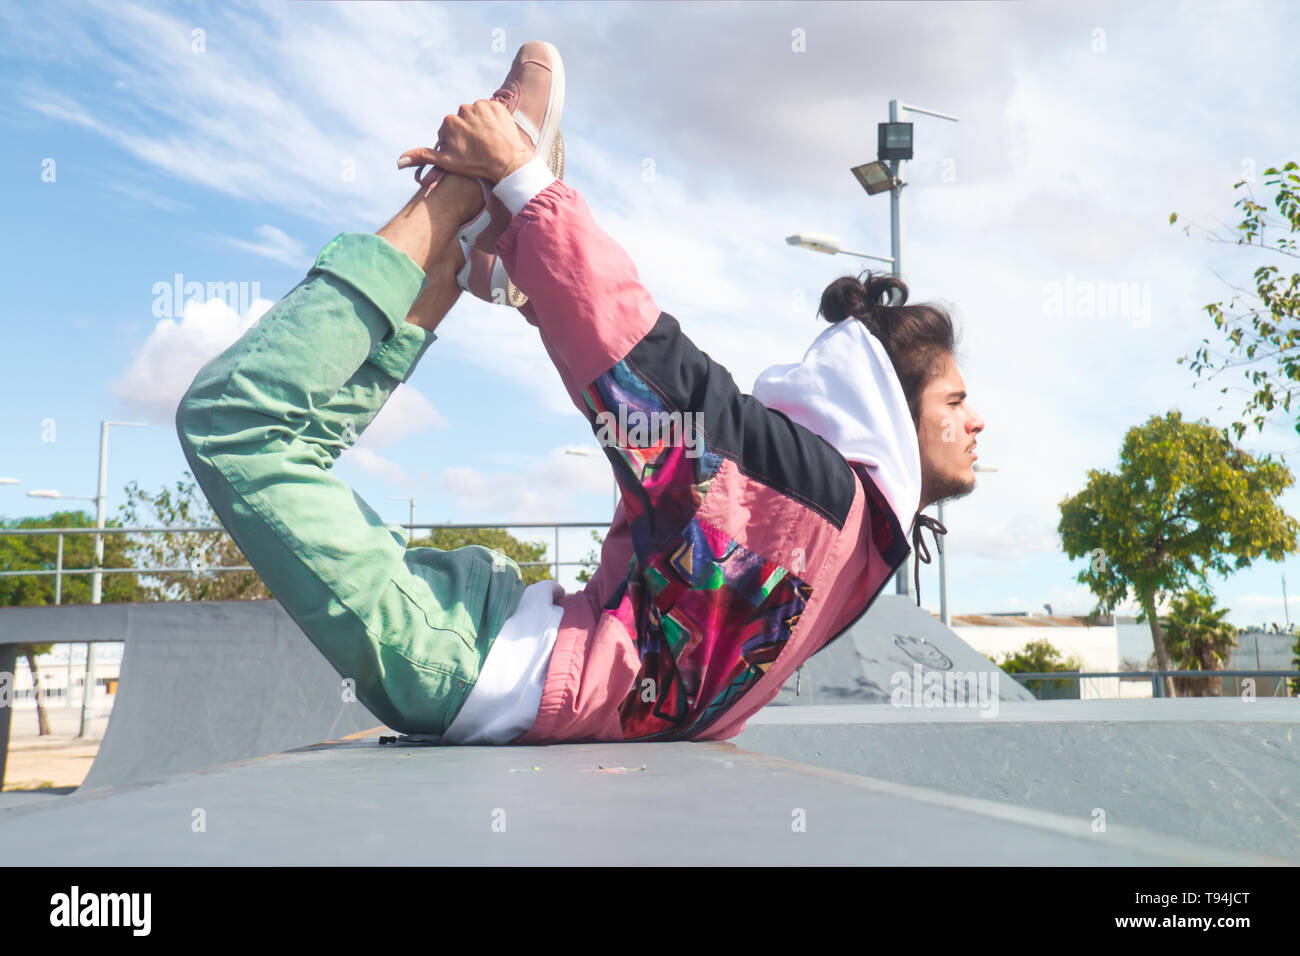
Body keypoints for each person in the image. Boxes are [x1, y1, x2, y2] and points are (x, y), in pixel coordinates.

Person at [175, 41, 984, 747]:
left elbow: (650, 392)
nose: (975, 420)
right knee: (255, 433)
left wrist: (523, 193)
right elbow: (651, 377)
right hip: (490, 654)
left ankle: (455, 204)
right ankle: (456, 232)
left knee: (243, 428)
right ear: (885, 404)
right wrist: (526, 202)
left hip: (491, 658)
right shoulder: (825, 513)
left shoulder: (841, 528)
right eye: (954, 401)